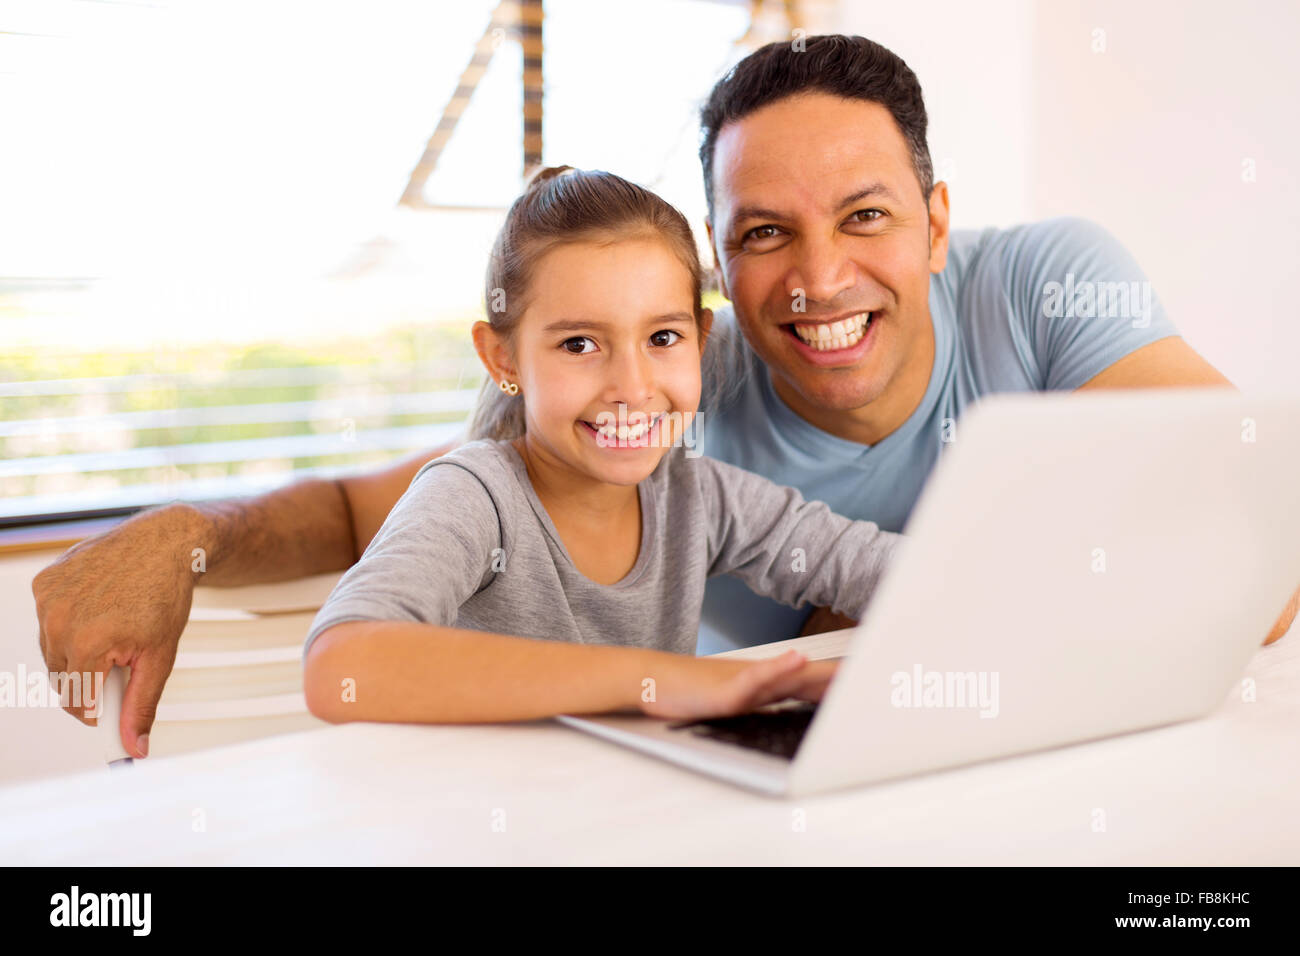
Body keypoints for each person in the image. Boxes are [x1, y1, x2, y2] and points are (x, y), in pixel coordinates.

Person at [33, 35, 1298, 756]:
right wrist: (186, 534)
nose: (814, 279)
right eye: (760, 233)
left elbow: (1248, 531)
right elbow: (372, 543)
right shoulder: (633, 408)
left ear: (935, 220)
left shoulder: (1028, 287)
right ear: (717, 260)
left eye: (863, 214)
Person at [301, 165, 900, 724]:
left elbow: (894, 572)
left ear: (700, 341)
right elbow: (339, 666)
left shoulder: (699, 495)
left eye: (663, 336)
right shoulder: (476, 498)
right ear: (502, 358)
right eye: (580, 345)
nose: (632, 389)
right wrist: (654, 680)